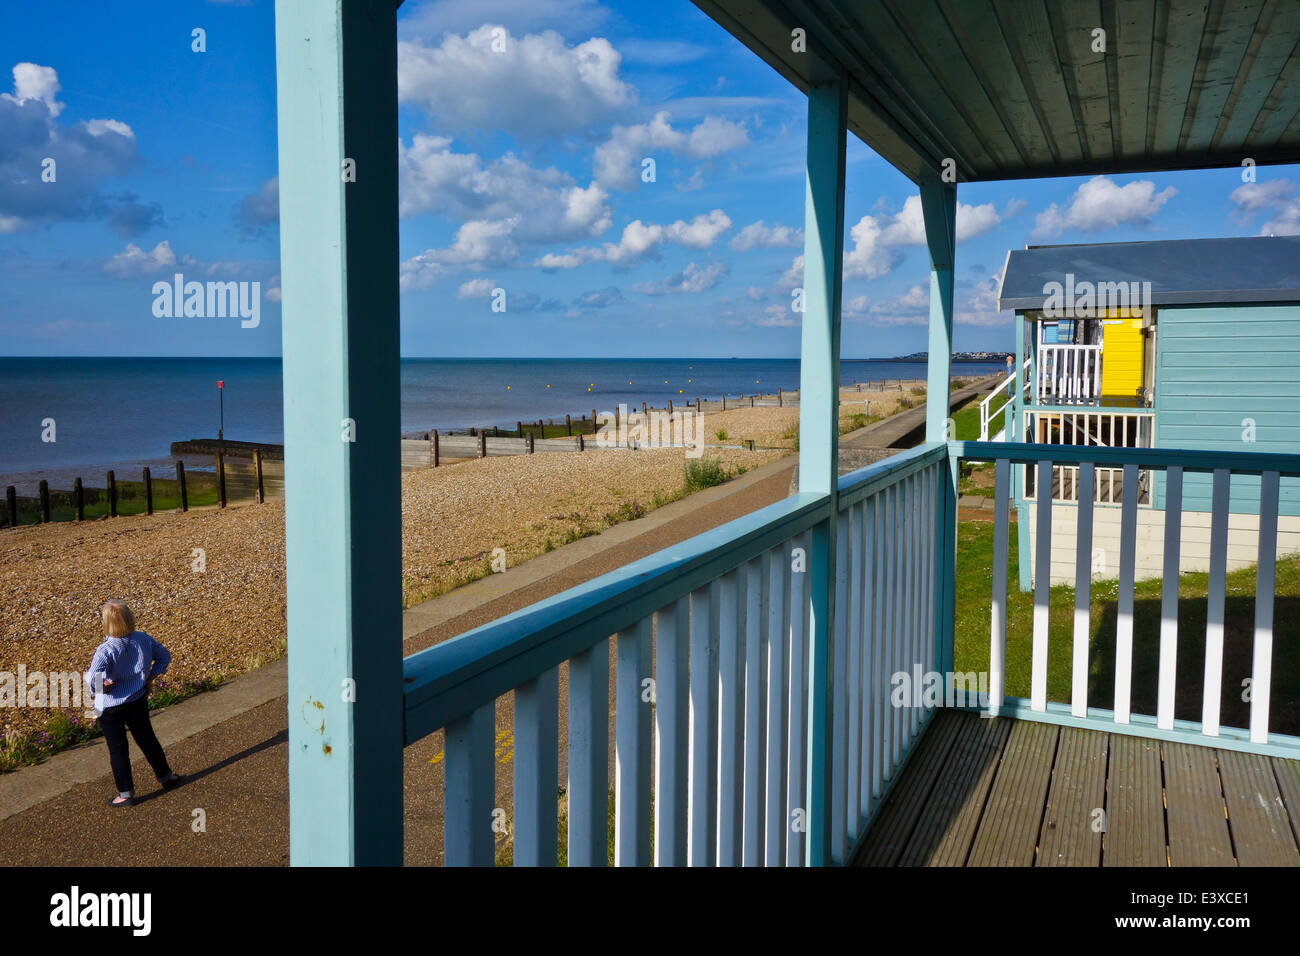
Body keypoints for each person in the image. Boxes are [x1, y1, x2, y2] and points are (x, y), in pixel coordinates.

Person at [85, 600, 184, 807]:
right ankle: (166, 777)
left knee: (118, 749)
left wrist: (103, 686)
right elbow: (164, 656)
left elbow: (93, 680)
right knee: (147, 739)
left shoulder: (105, 650)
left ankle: (125, 794)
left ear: (106, 624)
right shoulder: (143, 639)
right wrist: (150, 678)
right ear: (130, 618)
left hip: (110, 707)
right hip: (137, 699)